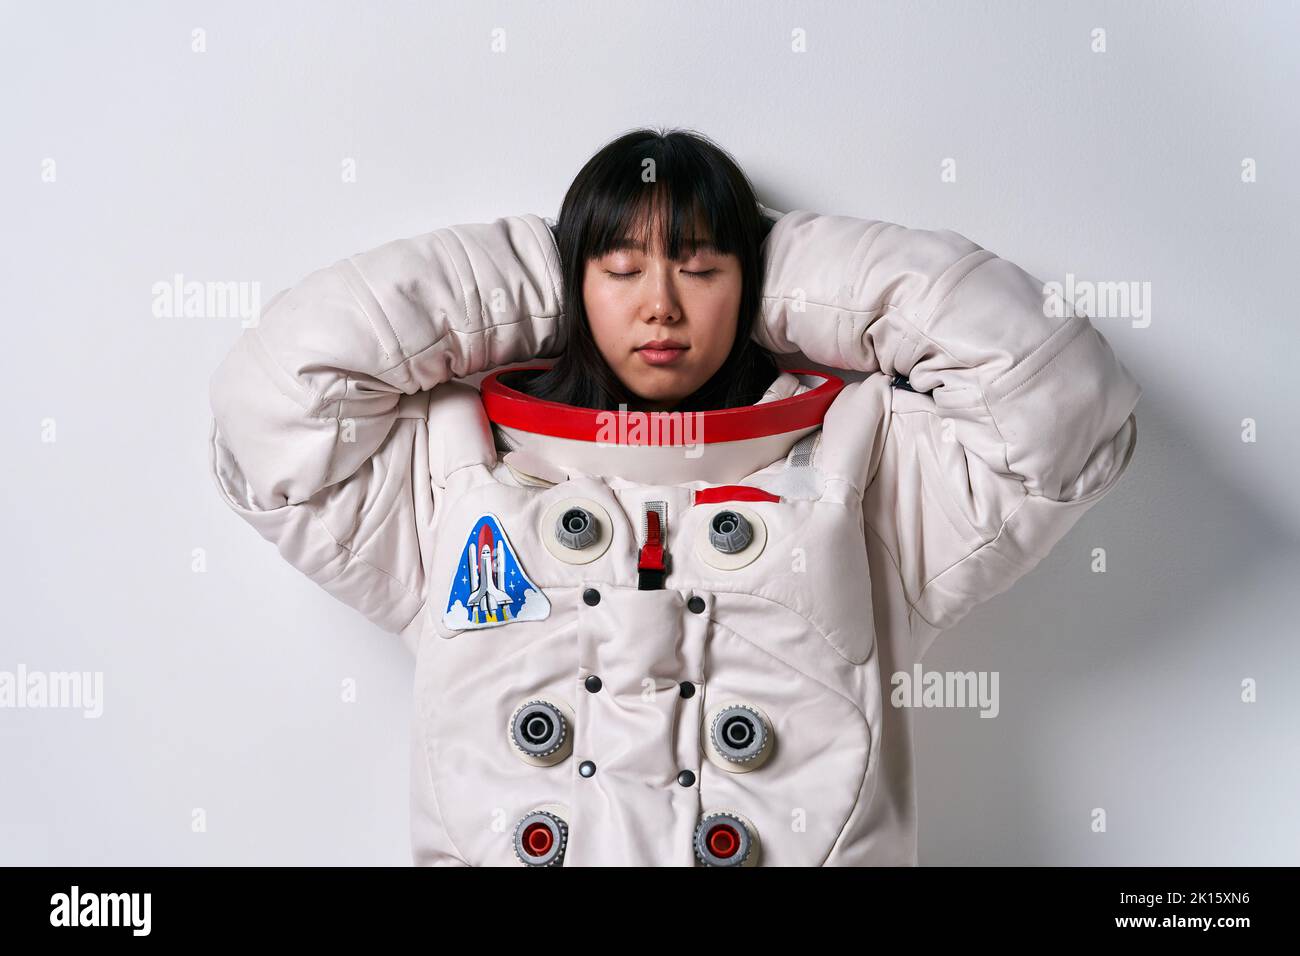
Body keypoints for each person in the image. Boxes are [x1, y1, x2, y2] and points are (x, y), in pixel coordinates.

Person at [207, 127, 1141, 866]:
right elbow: (273, 406)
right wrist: (545, 271)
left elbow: (1061, 408)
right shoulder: (458, 471)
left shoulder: (865, 470)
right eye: (620, 270)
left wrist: (785, 267)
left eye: (701, 268)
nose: (662, 305)